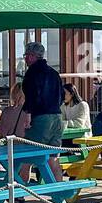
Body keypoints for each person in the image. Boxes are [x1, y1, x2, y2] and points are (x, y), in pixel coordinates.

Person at [22, 41, 63, 180]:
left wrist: (28, 114)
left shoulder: (32, 73)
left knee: (26, 156)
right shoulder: (54, 73)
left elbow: (32, 95)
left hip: (40, 118)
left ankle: (19, 195)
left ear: (32, 56)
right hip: (57, 117)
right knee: (53, 158)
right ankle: (59, 196)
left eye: (26, 55)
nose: (25, 59)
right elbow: (61, 96)